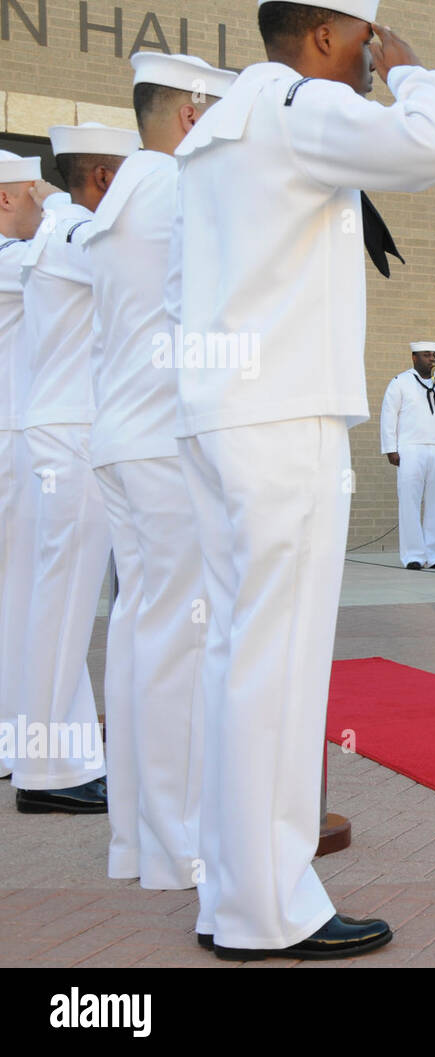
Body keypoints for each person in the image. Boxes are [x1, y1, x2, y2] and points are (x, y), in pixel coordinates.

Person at [172, 0, 435, 958]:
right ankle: (272, 909)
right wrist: (420, 70)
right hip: (283, 416)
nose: (371, 64)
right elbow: (433, 146)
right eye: (367, 46)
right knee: (280, 666)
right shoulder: (297, 110)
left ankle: (234, 893)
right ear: (331, 35)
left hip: (221, 416)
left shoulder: (217, 130)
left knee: (237, 662)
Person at [79, 53, 235, 888]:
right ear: (188, 115)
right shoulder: (177, 188)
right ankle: (183, 849)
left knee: (141, 638)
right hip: (164, 441)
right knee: (177, 640)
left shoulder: (121, 194)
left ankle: (137, 838)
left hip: (116, 438)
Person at [15, 122, 139, 813]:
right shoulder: (74, 234)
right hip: (72, 434)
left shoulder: (58, 233)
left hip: (67, 429)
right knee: (63, 606)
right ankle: (43, 770)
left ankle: (63, 757)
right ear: (102, 179)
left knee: (60, 600)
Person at [0, 152, 56, 782]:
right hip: (13, 439)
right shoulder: (17, 262)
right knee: (21, 593)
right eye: (34, 197)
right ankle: (16, 740)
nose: (43, 210)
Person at [379, 341, 435, 570]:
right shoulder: (400, 382)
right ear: (414, 358)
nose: (432, 359)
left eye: (433, 354)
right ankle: (413, 555)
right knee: (409, 502)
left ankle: (434, 554)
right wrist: (390, 448)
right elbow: (388, 416)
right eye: (426, 355)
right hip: (410, 449)